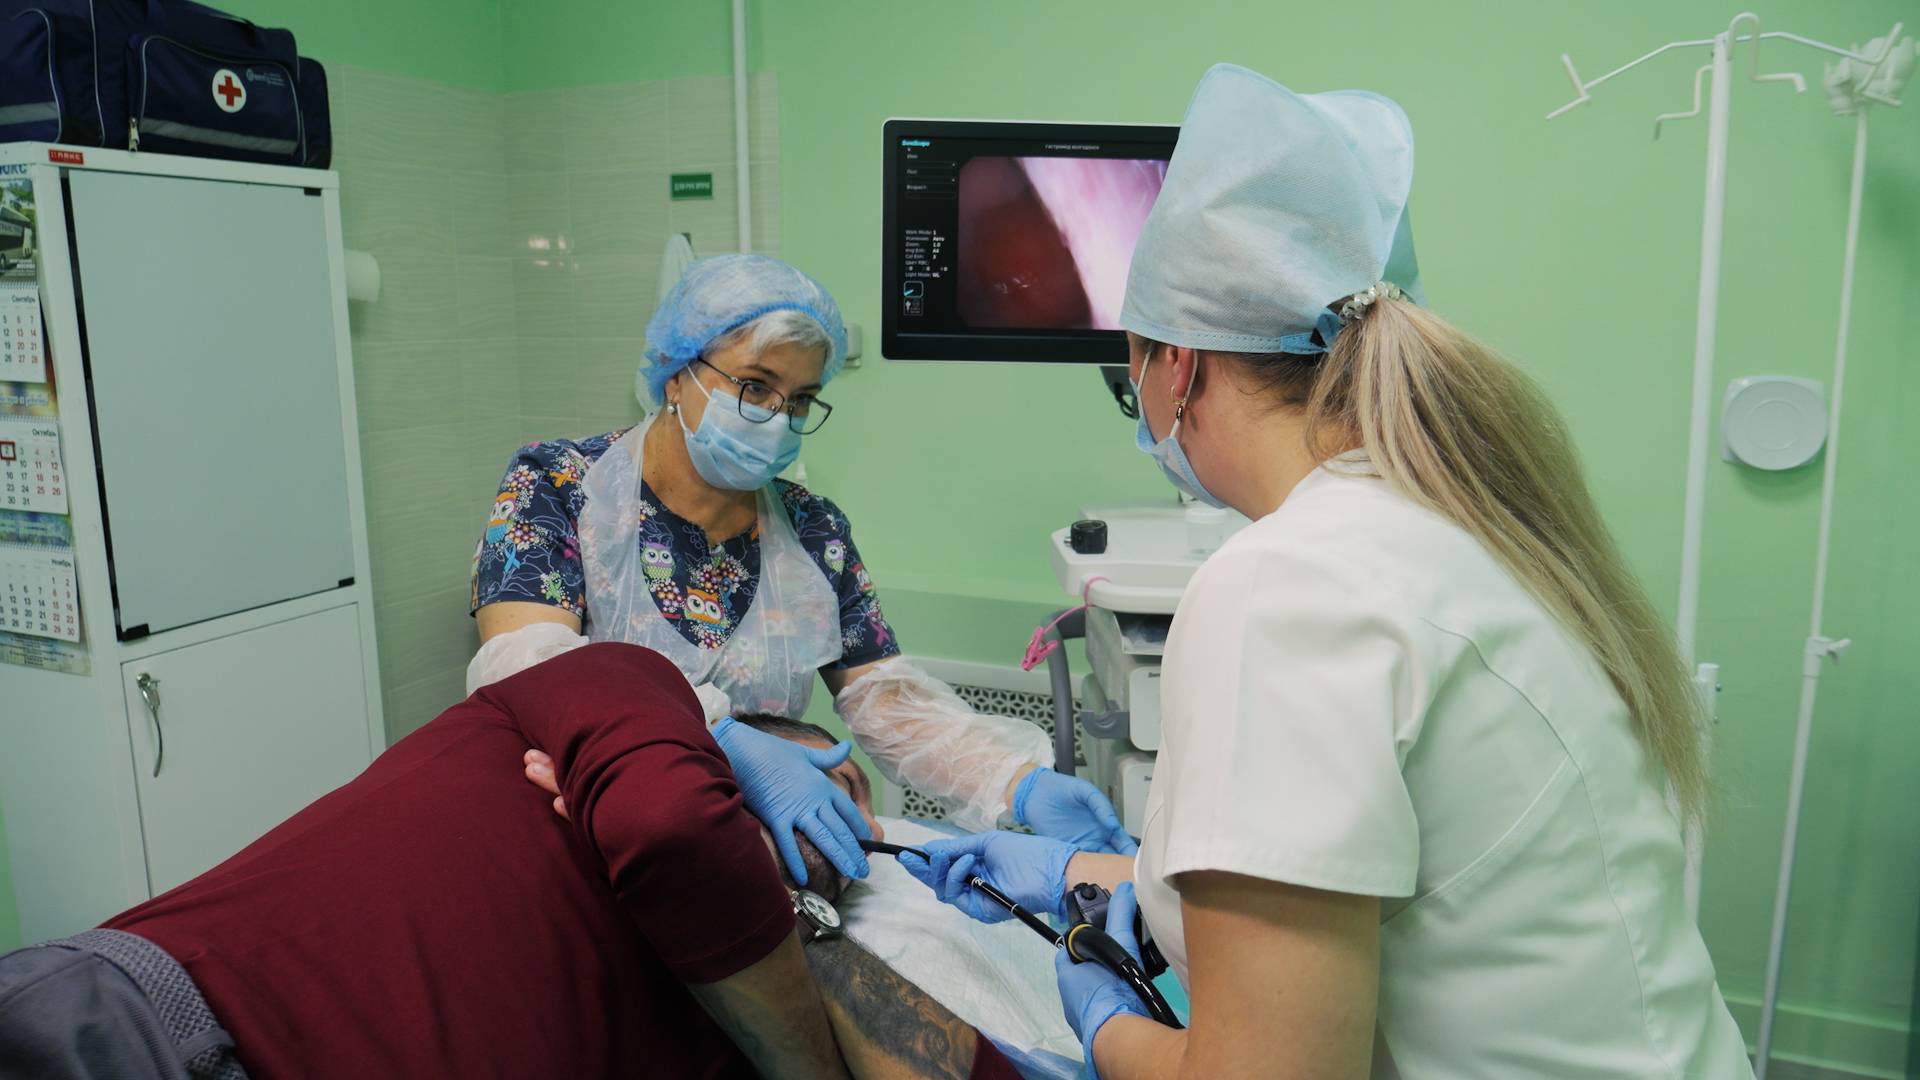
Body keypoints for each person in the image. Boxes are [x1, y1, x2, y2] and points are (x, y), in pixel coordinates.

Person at [900, 64, 1753, 1079]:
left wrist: (1104, 1023)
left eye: (1131, 369)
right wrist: (1093, 876)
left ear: (1179, 365)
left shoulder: (1284, 590)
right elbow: (1373, 880)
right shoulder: (1467, 520)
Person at [0, 644, 1024, 1080]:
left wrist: (802, 921)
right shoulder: (616, 692)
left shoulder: (756, 978)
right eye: (838, 790)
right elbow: (674, 828)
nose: (850, 839)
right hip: (153, 1033)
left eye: (858, 837)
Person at [469, 254, 1133, 891]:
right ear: (677, 374)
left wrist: (1015, 780)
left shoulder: (815, 531)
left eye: (801, 400)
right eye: (756, 386)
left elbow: (885, 702)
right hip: (574, 824)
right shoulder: (559, 487)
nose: (778, 419)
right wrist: (714, 735)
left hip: (738, 841)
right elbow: (528, 663)